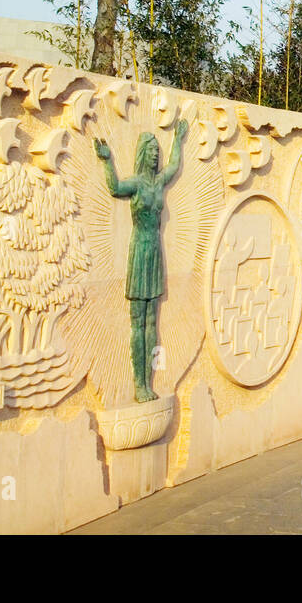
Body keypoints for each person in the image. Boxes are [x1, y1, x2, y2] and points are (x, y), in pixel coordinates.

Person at [94, 119, 188, 402]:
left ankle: (148, 382)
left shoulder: (159, 182)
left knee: (152, 321)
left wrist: (178, 141)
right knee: (138, 320)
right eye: (150, 149)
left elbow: (173, 166)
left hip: (155, 252)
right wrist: (107, 160)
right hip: (140, 250)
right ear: (141, 153)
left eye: (156, 150)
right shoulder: (135, 184)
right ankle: (138, 384)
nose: (155, 154)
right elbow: (114, 188)